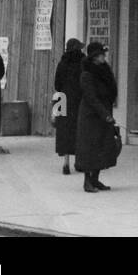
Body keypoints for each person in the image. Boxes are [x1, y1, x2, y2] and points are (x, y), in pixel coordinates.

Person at [75, 41, 119, 193]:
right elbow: (91, 97)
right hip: (91, 116)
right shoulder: (87, 74)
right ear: (94, 57)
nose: (103, 57)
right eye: (101, 55)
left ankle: (95, 179)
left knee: (103, 146)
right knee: (90, 149)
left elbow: (111, 89)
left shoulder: (104, 70)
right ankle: (87, 181)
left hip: (103, 113)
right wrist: (105, 114)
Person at [53, 37, 84, 175]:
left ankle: (66, 163)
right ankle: (79, 161)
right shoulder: (83, 62)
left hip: (64, 99)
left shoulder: (63, 63)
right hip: (80, 99)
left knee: (65, 130)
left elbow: (57, 84)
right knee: (80, 128)